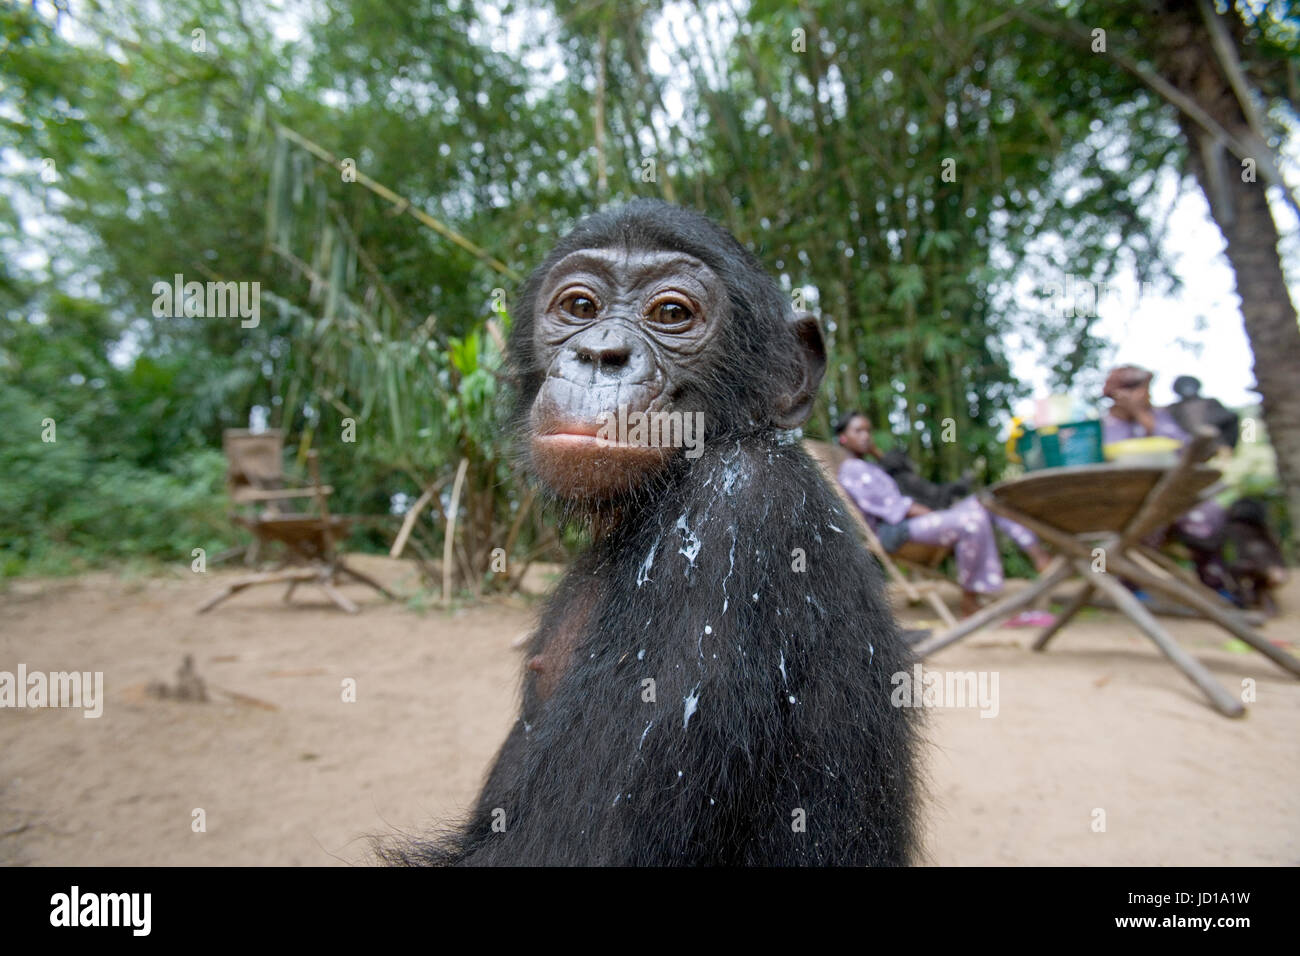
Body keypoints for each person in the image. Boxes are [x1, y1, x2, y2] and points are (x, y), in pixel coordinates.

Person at [834, 411, 1053, 618]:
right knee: (971, 521)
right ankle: (970, 599)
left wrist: (874, 452)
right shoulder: (852, 469)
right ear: (843, 437)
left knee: (987, 502)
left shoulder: (869, 466)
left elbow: (898, 472)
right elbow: (896, 507)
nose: (866, 436)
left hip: (910, 524)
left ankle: (1038, 555)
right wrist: (934, 515)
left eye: (868, 431)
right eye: (858, 431)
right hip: (893, 531)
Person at [1101, 365, 1229, 591]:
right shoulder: (1103, 427)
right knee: (1133, 529)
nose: (1148, 395)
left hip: (1174, 497)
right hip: (1126, 502)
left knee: (1209, 514)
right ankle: (1127, 587)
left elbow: (1188, 452)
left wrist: (1143, 418)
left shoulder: (1162, 417)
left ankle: (1215, 583)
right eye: (1143, 389)